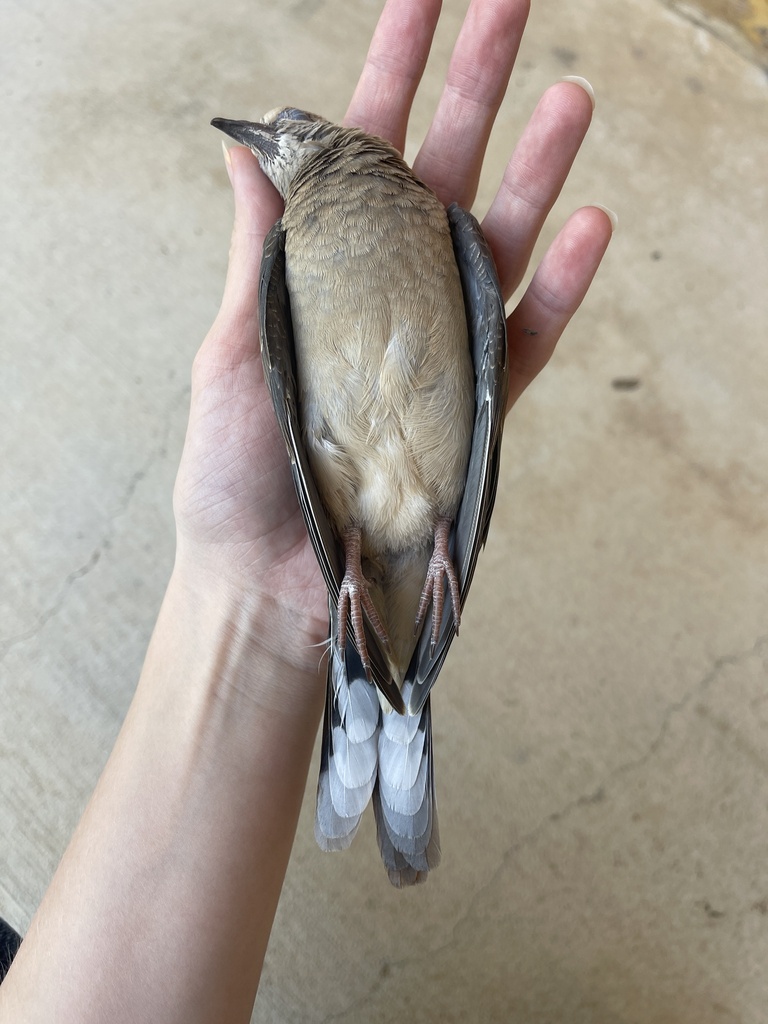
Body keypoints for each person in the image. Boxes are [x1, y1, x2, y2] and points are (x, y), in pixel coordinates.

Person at [0, 0, 613, 1020]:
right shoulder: (292, 248)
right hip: (363, 529)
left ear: (324, 145)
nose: (273, 146)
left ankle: (390, 689)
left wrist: (443, 547)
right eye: (274, 140)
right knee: (382, 652)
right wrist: (297, 579)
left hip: (418, 522)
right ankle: (384, 692)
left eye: (286, 135)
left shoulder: (440, 224)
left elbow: (479, 394)